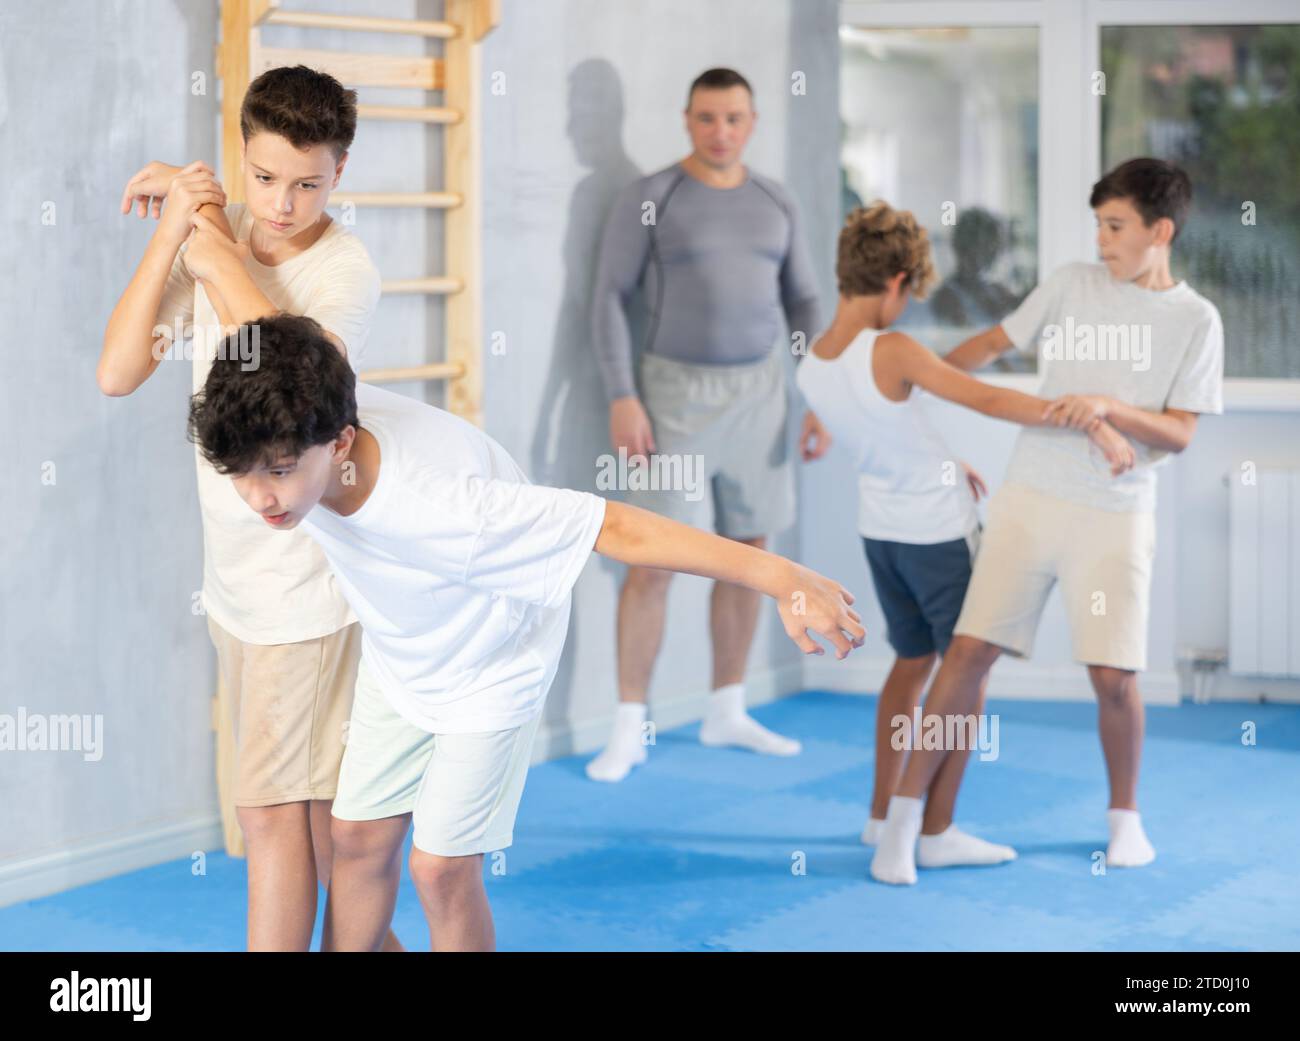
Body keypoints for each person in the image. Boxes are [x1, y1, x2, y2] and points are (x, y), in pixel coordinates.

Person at [186, 314, 866, 950]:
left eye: (276, 473)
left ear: (338, 442)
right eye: (240, 473)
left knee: (439, 869)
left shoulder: (444, 506)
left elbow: (621, 528)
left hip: (493, 660)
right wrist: (210, 237)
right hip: (405, 650)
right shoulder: (302, 409)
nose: (259, 498)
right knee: (356, 838)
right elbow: (269, 328)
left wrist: (786, 579)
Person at [871, 158, 1224, 885]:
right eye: (1098, 224)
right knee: (966, 653)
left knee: (1114, 676)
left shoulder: (1196, 320)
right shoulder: (1069, 282)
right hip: (1032, 494)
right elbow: (991, 345)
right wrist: (919, 379)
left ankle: (1125, 817)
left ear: (1162, 231)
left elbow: (1181, 432)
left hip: (1116, 514)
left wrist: (1106, 405)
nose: (1102, 240)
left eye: (1117, 226)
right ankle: (904, 824)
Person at [98, 65, 389, 948]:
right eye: (261, 178)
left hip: (303, 585)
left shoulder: (345, 271)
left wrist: (217, 243)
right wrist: (181, 228)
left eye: (308, 182)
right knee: (308, 825)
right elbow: (118, 370)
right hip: (238, 582)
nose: (282, 202)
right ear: (241, 157)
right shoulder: (226, 240)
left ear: (341, 169)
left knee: (272, 821)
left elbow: (289, 369)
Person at [797, 201, 1134, 859]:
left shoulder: (815, 360)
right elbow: (983, 397)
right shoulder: (890, 348)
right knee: (966, 676)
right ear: (897, 281)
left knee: (910, 664)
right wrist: (1086, 419)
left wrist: (948, 463)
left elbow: (883, 429)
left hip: (882, 535)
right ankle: (935, 828)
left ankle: (877, 815)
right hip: (938, 537)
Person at [587, 66, 830, 781]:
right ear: (686, 120)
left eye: (733, 118)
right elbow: (607, 298)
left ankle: (728, 707)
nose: (720, 131)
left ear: (751, 122)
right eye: (706, 118)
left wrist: (816, 394)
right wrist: (622, 394)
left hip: (762, 397)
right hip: (673, 395)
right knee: (652, 559)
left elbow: (808, 300)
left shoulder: (775, 200)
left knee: (752, 551)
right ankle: (629, 723)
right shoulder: (651, 196)